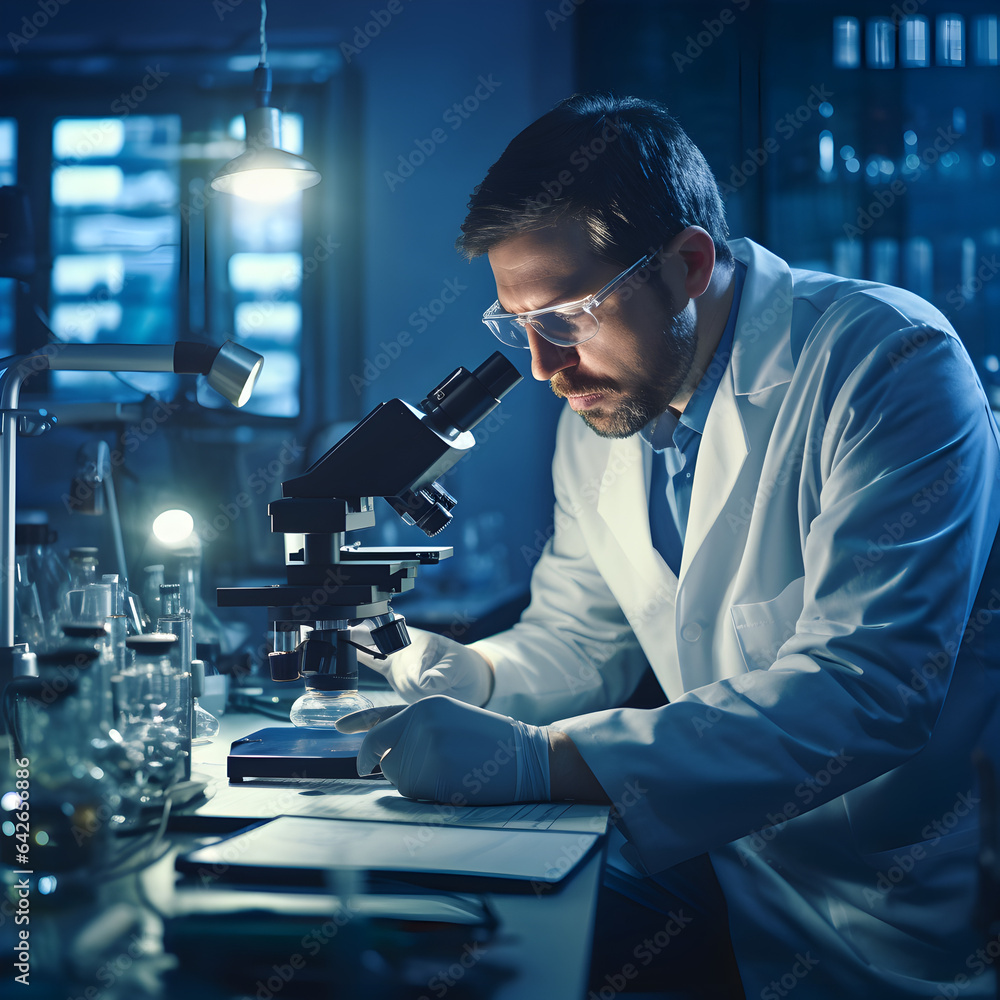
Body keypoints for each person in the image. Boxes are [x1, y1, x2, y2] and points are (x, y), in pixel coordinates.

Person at [342, 94, 1000, 998]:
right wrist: (476, 676)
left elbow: (869, 689)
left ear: (689, 264)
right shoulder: (608, 411)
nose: (542, 366)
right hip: (713, 860)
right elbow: (581, 639)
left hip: (879, 903)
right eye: (515, 324)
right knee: (406, 925)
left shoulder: (887, 363)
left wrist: (542, 759)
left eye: (567, 316)